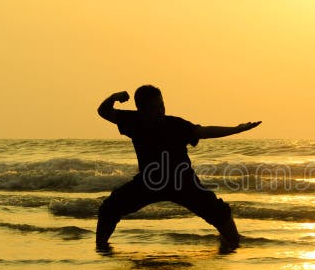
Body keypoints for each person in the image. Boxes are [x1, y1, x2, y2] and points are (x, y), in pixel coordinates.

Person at [96, 85, 260, 252]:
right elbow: (103, 111)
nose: (160, 110)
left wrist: (236, 129)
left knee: (219, 211)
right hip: (150, 182)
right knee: (109, 208)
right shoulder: (133, 120)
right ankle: (101, 248)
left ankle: (233, 243)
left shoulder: (175, 124)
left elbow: (203, 131)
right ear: (141, 109)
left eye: (161, 105)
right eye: (154, 107)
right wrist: (114, 96)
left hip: (182, 182)